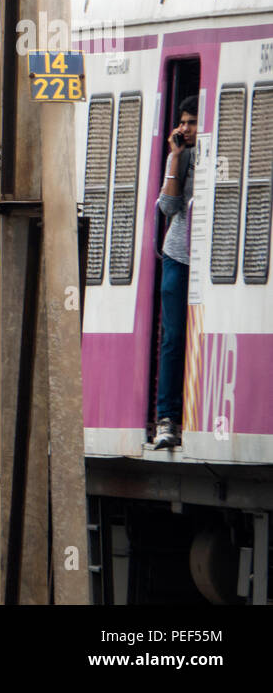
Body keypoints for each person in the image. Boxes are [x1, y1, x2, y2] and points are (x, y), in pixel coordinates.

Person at [154, 96, 198, 449]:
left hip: (210, 262)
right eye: (182, 121)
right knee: (172, 337)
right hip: (178, 256)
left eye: (192, 122)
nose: (184, 128)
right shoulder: (182, 158)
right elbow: (167, 206)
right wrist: (174, 157)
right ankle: (167, 418)